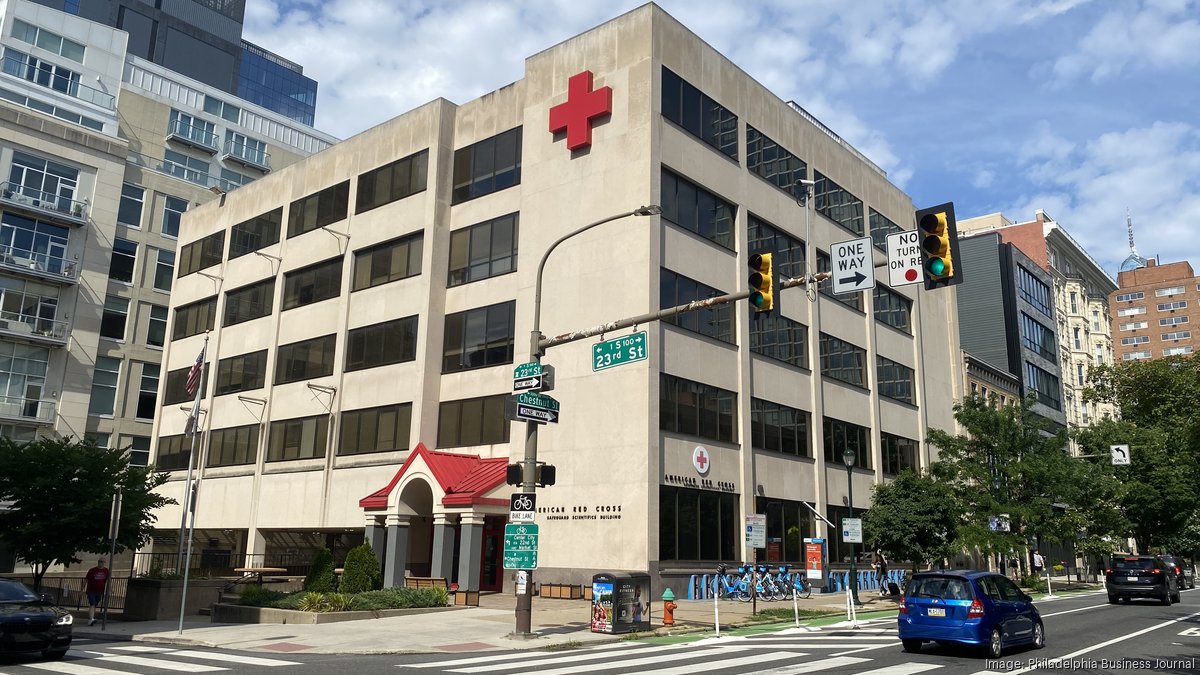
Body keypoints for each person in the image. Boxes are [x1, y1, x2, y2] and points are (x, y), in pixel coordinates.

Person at [84, 557, 110, 626]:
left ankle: (91, 618)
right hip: (91, 590)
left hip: (100, 591)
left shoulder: (106, 571)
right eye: (100, 561)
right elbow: (86, 580)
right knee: (92, 604)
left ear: (104, 563)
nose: (101, 563)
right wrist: (82, 589)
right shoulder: (92, 570)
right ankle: (91, 619)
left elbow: (108, 581)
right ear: (98, 562)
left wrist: (110, 589)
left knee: (95, 604)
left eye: (103, 562)